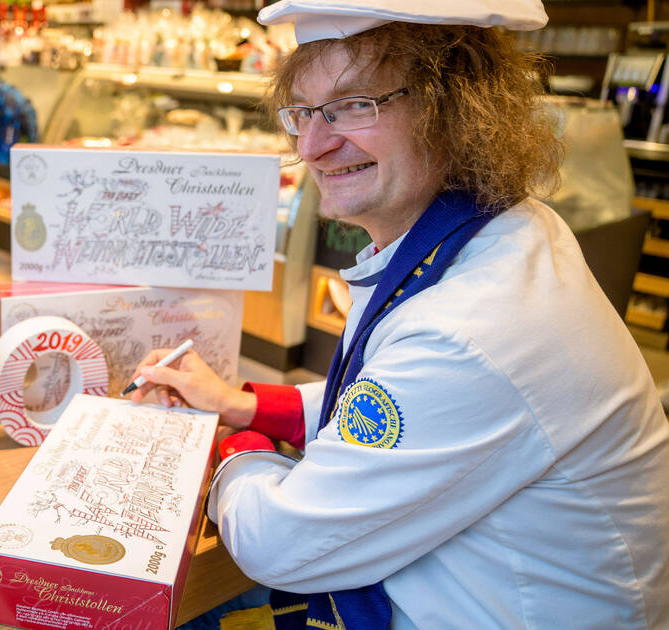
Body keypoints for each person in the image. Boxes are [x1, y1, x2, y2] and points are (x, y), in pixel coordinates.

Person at [129, 1, 669, 628]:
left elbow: (280, 544)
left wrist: (225, 450)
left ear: (458, 109)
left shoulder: (469, 330)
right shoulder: (504, 225)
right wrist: (244, 404)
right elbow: (402, 401)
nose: (313, 145)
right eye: (302, 112)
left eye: (355, 105)